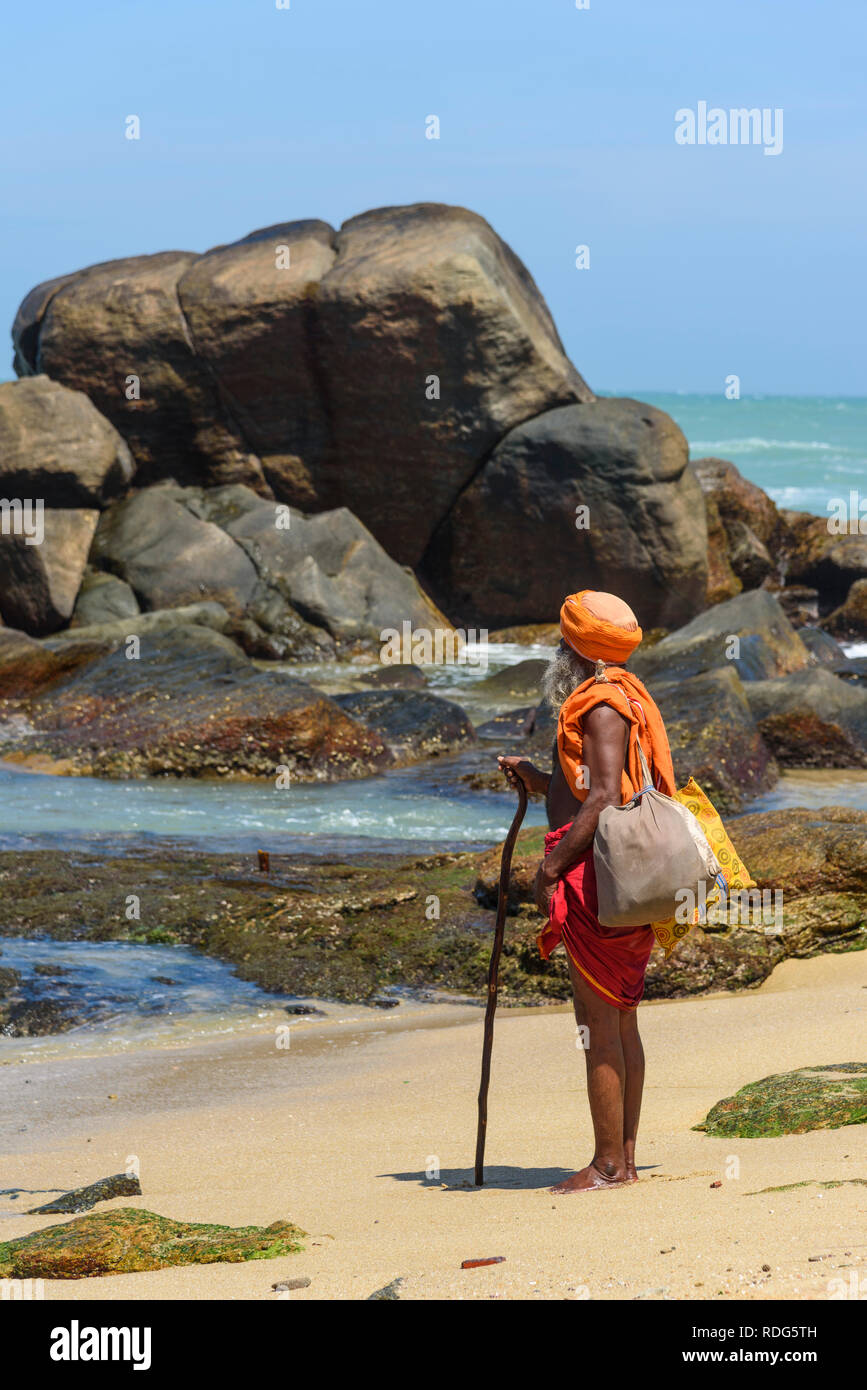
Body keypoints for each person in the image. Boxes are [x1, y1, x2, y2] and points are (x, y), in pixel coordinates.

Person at [498, 589, 676, 1193]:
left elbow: (601, 799)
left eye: (564, 641)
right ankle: (622, 1161)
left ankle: (606, 1166)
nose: (558, 650)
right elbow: (603, 787)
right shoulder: (625, 695)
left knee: (600, 1021)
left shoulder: (600, 706)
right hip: (621, 877)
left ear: (577, 651)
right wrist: (540, 778)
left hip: (599, 879)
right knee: (619, 1019)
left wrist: (549, 872)